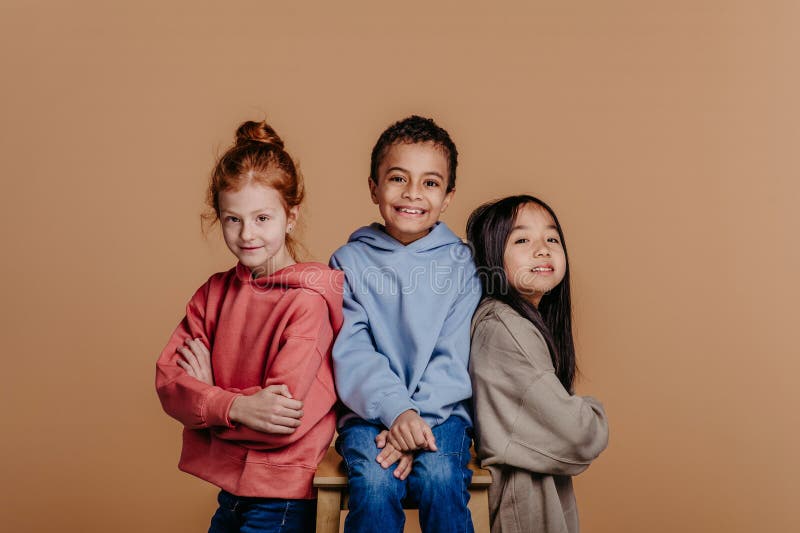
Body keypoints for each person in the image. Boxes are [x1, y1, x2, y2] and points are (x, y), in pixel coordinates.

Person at [155, 120, 343, 533]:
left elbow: (278, 425)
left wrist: (206, 400)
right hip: (230, 493)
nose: (247, 234)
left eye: (262, 218)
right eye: (232, 219)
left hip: (283, 501)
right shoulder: (213, 294)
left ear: (290, 216)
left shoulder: (306, 303)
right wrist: (236, 405)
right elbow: (169, 384)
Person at [330, 115, 481, 533]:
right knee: (376, 486)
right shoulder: (348, 261)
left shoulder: (462, 263)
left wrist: (416, 421)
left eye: (430, 183)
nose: (413, 193)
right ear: (374, 187)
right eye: (398, 178)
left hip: (442, 413)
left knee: (439, 478)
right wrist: (397, 413)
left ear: (448, 196)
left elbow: (453, 357)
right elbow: (353, 350)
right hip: (369, 414)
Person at [466, 194, 609, 533]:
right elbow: (578, 434)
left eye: (552, 238)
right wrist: (593, 412)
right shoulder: (505, 328)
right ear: (491, 256)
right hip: (522, 504)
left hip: (536, 497)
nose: (542, 249)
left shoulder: (517, 323)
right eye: (521, 239)